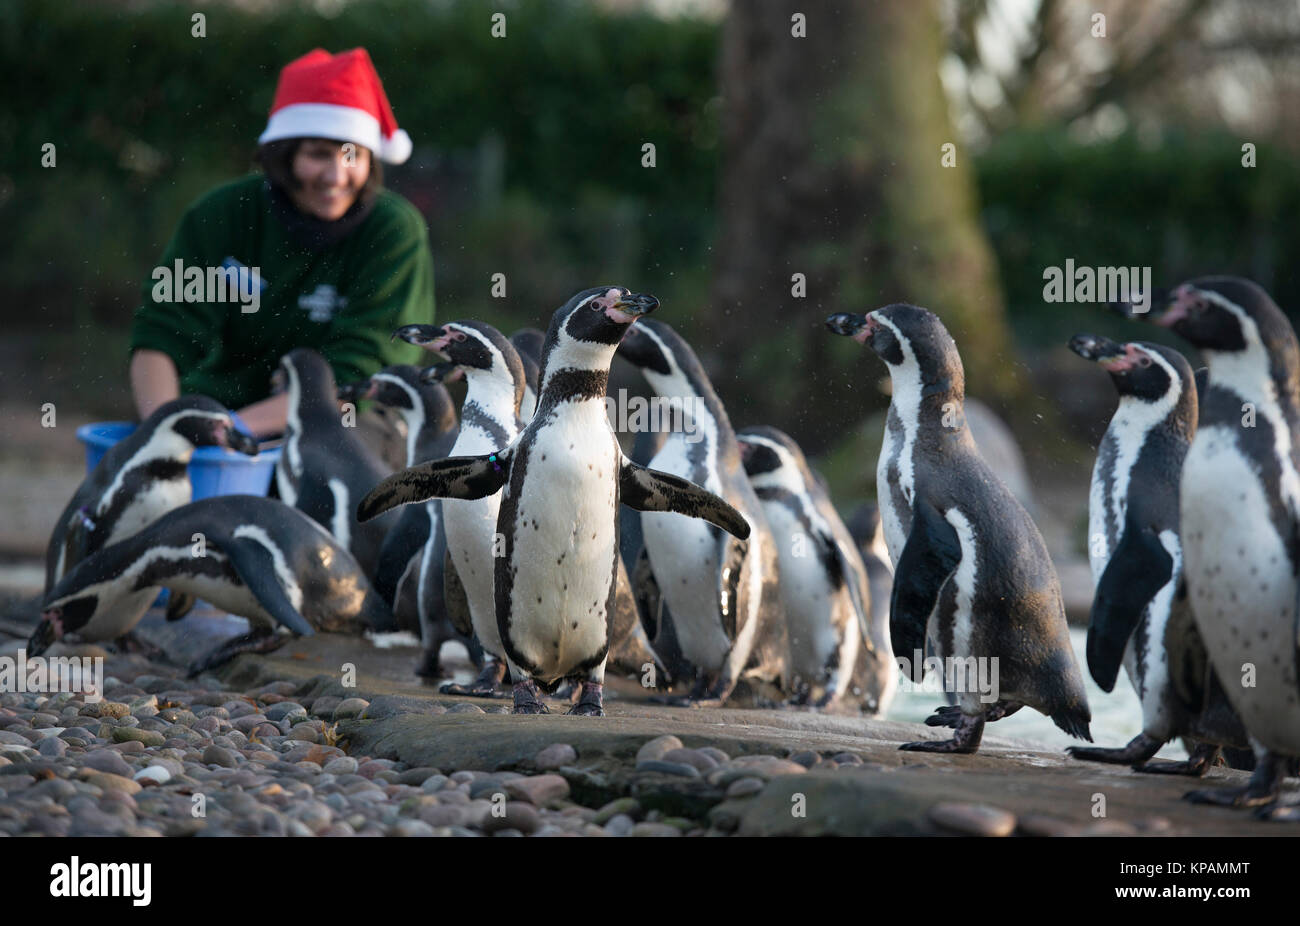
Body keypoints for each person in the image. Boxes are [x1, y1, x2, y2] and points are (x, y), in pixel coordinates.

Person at [128, 48, 433, 439]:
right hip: (216, 410)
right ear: (284, 157)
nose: (336, 176)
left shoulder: (394, 231)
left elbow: (364, 375)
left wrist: (237, 432)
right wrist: (164, 433)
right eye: (318, 155)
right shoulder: (222, 214)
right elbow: (161, 332)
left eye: (352, 156)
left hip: (344, 425)